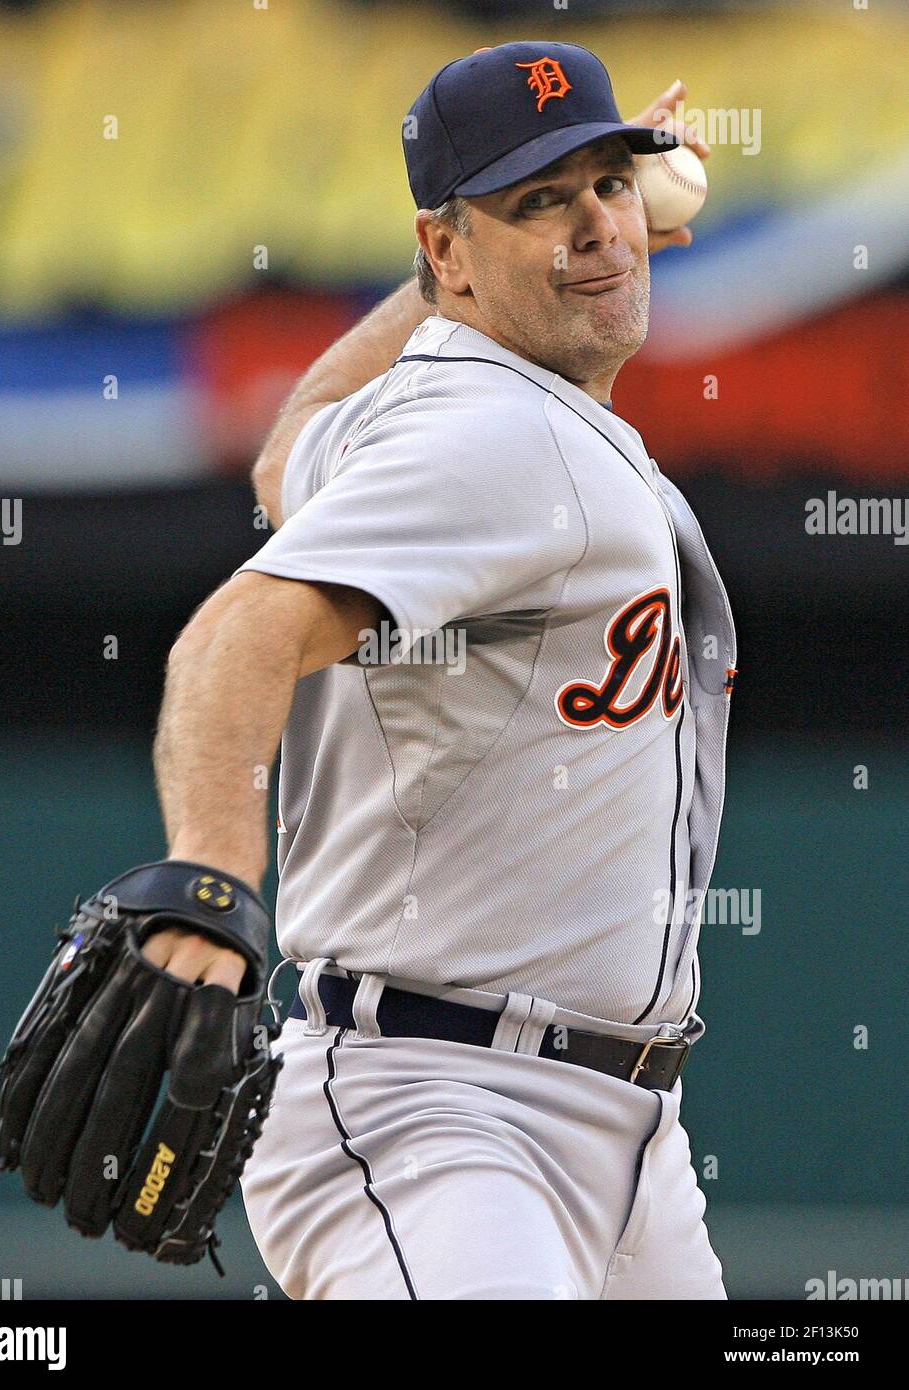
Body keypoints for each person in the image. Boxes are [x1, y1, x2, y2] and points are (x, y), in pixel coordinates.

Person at [149, 41, 734, 1300]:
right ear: (446, 251)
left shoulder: (431, 401)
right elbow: (237, 633)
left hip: (620, 1132)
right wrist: (208, 883)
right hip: (445, 1116)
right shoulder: (494, 437)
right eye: (538, 202)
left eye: (610, 184)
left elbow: (286, 450)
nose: (595, 224)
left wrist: (543, 249)